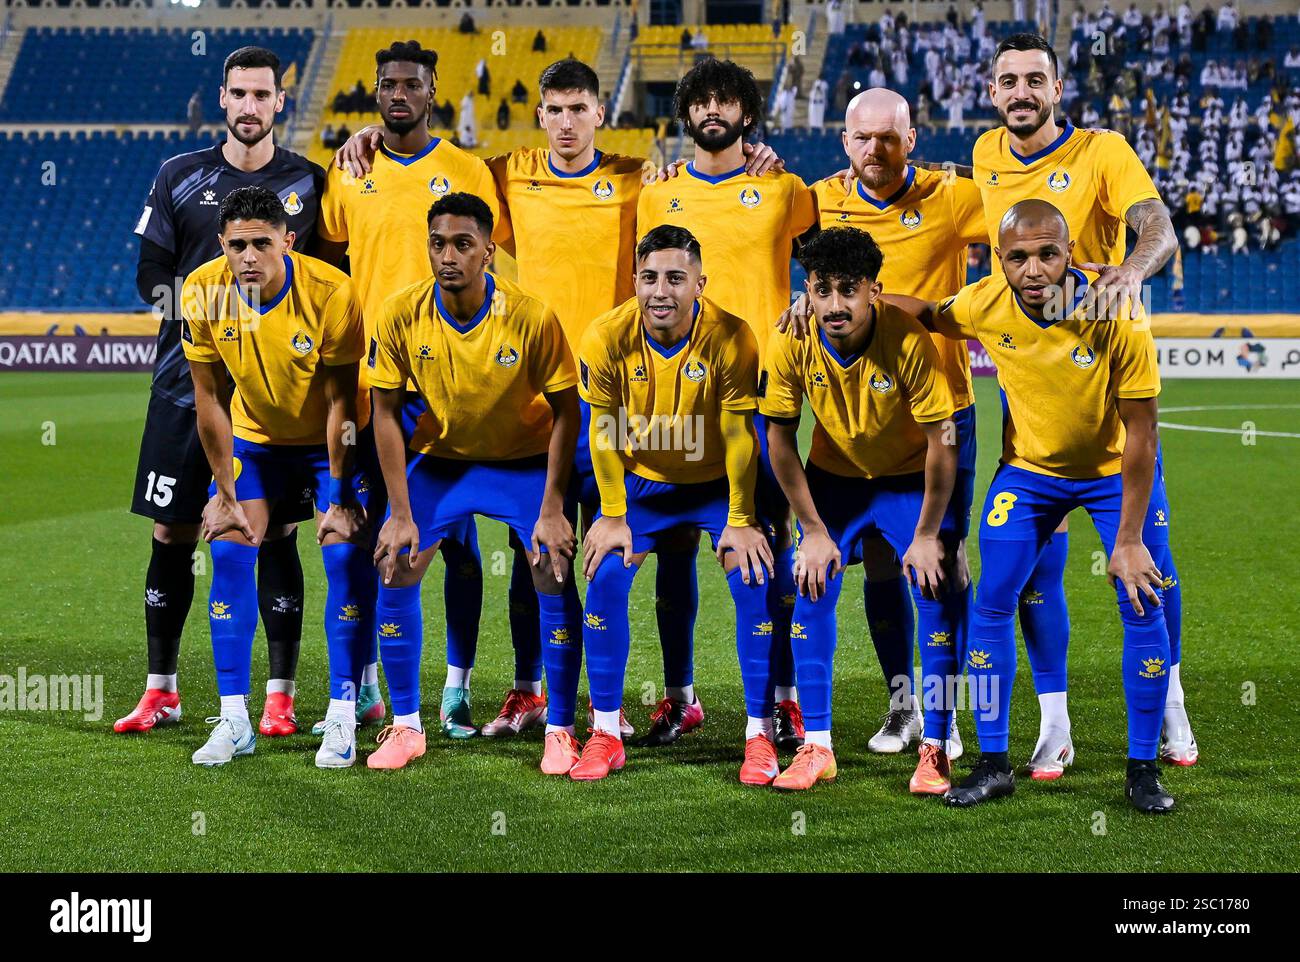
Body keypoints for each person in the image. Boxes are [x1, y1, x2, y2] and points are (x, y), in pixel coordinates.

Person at [896, 199, 1176, 815]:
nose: (1033, 269)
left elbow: (1142, 434)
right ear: (998, 260)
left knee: (1142, 596)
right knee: (992, 602)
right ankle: (993, 764)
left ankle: (1142, 767)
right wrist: (856, 299)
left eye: (1048, 253)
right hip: (1028, 475)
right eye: (1017, 257)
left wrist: (1127, 541)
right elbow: (929, 313)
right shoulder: (984, 302)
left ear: (1069, 253)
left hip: (1112, 475)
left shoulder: (1117, 313)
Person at [973, 32, 1193, 772]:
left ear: (1058, 88)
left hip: (1104, 379)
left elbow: (1159, 224)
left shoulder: (1104, 150)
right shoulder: (982, 156)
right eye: (1009, 81)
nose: (1022, 91)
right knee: (1030, 577)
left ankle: (1171, 702)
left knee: (1146, 568)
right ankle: (1054, 722)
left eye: (1036, 78)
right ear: (992, 91)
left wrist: (1130, 272)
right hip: (1031, 407)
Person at [316, 41, 520, 740]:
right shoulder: (349, 169)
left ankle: (456, 689)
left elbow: (498, 262)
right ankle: (368, 688)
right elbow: (333, 252)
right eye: (388, 84)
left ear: (434, 91)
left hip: (452, 386)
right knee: (378, 540)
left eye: (411, 84)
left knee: (457, 544)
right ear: (375, 93)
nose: (398, 93)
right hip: (380, 383)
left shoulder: (465, 171)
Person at [120, 46, 325, 739]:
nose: (248, 107)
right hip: (187, 387)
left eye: (261, 95)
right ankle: (162, 689)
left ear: (279, 103)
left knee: (274, 535)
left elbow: (325, 279)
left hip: (275, 398)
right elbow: (149, 276)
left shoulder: (308, 181)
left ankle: (280, 694)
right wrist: (216, 308)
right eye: (238, 94)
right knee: (172, 531)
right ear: (223, 98)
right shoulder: (178, 175)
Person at [781, 88, 985, 758]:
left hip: (937, 416)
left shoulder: (953, 197)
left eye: (889, 137)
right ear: (844, 142)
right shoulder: (814, 199)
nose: (875, 150)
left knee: (940, 568)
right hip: (848, 428)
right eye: (862, 138)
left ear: (912, 138)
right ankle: (903, 708)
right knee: (876, 568)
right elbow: (737, 226)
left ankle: (947, 715)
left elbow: (1032, 229)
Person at [637, 58, 818, 751]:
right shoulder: (657, 194)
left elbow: (822, 264)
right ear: (685, 113)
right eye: (701, 100)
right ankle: (680, 698)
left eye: (727, 99)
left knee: (768, 549)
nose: (713, 109)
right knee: (676, 548)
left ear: (748, 112)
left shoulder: (784, 187)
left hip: (765, 394)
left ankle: (784, 698)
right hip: (677, 398)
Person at [366, 192, 581, 771]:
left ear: (488, 250)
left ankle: (559, 726)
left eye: (463, 244)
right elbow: (383, 413)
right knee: (396, 560)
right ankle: (407, 727)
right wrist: (399, 510)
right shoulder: (400, 312)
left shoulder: (532, 315)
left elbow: (568, 410)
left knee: (552, 564)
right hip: (444, 461)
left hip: (521, 462)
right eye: (438, 244)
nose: (448, 256)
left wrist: (555, 505)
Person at [764, 227, 964, 794]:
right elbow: (778, 438)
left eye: (848, 289)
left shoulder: (907, 341)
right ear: (808, 291)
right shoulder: (792, 340)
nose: (834, 304)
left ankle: (936, 745)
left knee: (933, 583)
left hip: (906, 482)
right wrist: (811, 530)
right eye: (821, 289)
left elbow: (942, 441)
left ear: (874, 290)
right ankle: (817, 746)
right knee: (810, 580)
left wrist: (926, 533)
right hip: (836, 481)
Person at [573, 225, 776, 783]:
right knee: (606, 579)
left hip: (716, 485)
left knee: (753, 579)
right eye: (648, 277)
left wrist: (741, 520)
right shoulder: (605, 336)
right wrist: (612, 515)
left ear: (699, 285)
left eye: (675, 278)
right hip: (643, 486)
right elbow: (605, 434)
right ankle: (606, 733)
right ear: (634, 281)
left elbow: (741, 435)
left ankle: (760, 736)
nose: (660, 291)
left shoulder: (732, 337)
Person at [181, 186, 373, 770]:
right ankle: (235, 718)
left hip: (326, 444)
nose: (248, 257)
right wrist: (224, 491)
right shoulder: (201, 291)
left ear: (287, 242)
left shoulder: (331, 292)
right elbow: (209, 398)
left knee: (342, 555)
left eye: (262, 244)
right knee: (232, 551)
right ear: (221, 245)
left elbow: (343, 401)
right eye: (237, 245)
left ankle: (343, 715)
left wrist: (338, 495)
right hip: (256, 442)